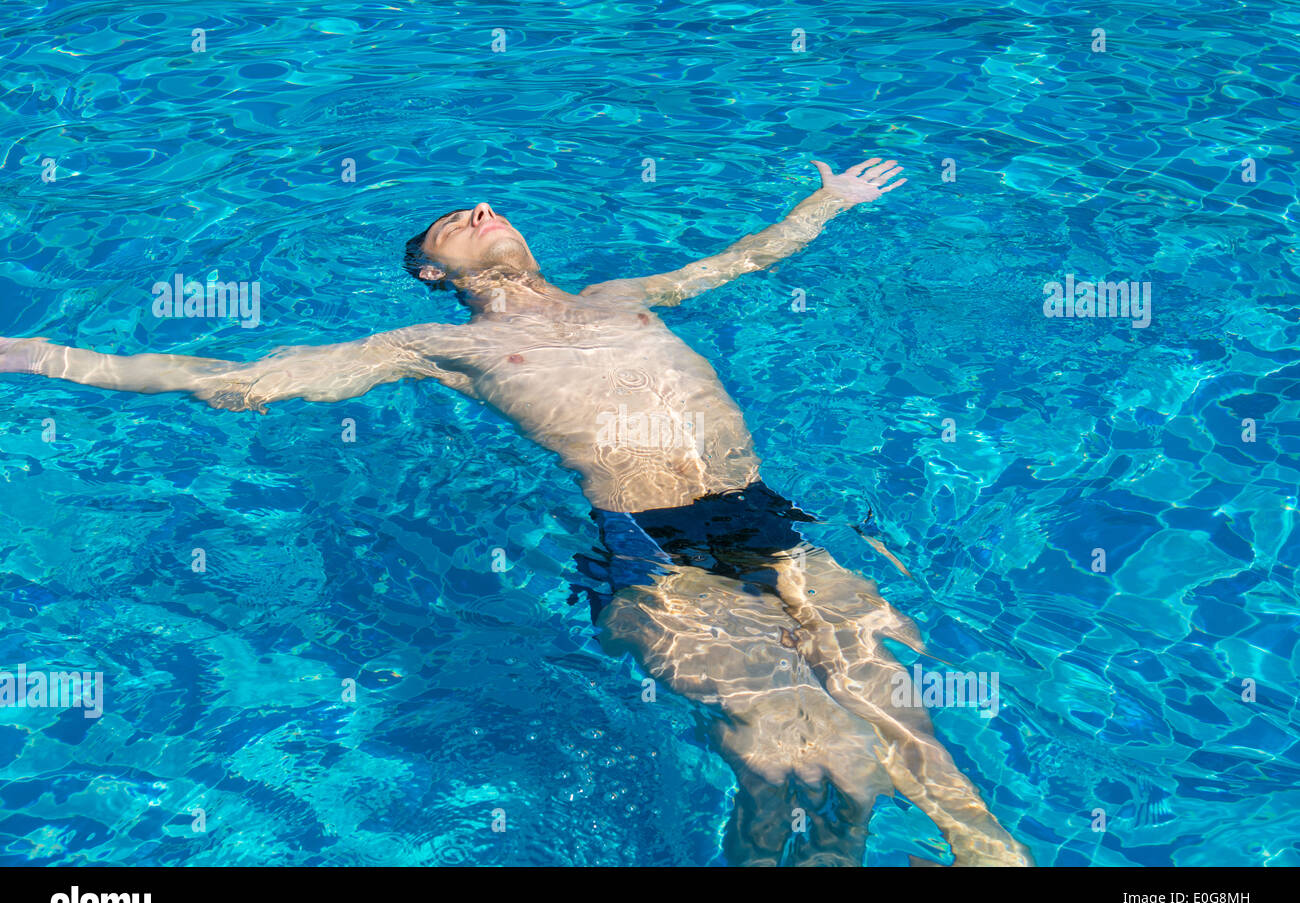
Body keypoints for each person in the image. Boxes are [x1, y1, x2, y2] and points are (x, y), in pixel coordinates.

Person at [0, 156, 1033, 865]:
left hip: (762, 514)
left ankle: (988, 846)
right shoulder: (434, 345)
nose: (479, 208)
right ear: (430, 271)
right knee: (794, 750)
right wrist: (45, 356)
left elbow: (744, 256)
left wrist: (826, 206)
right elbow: (241, 380)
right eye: (454, 220)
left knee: (896, 706)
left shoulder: (621, 295)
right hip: (656, 553)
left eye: (486, 204)